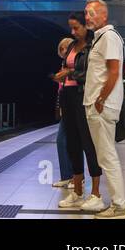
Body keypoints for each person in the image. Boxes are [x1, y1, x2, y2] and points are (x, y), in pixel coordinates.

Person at [81, 0, 125, 219]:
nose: (87, 17)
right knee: (105, 157)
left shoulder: (109, 37)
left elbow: (113, 72)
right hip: (97, 106)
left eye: (91, 13)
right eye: (86, 13)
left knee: (107, 158)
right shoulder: (100, 38)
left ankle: (119, 207)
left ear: (103, 15)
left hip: (102, 107)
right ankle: (118, 205)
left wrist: (100, 99)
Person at [54, 12, 102, 209]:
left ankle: (96, 193)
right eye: (71, 28)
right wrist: (62, 76)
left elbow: (94, 72)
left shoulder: (93, 46)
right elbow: (68, 67)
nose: (73, 32)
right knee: (72, 143)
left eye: (76, 28)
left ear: (86, 26)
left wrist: (71, 72)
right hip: (68, 94)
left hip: (84, 96)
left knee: (88, 143)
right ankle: (78, 191)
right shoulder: (73, 46)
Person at [52, 37, 74, 189]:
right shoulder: (64, 65)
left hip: (75, 105)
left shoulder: (75, 63)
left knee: (70, 142)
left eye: (65, 49)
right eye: (61, 50)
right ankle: (67, 176)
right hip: (66, 105)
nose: (63, 52)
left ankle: (75, 178)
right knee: (63, 141)